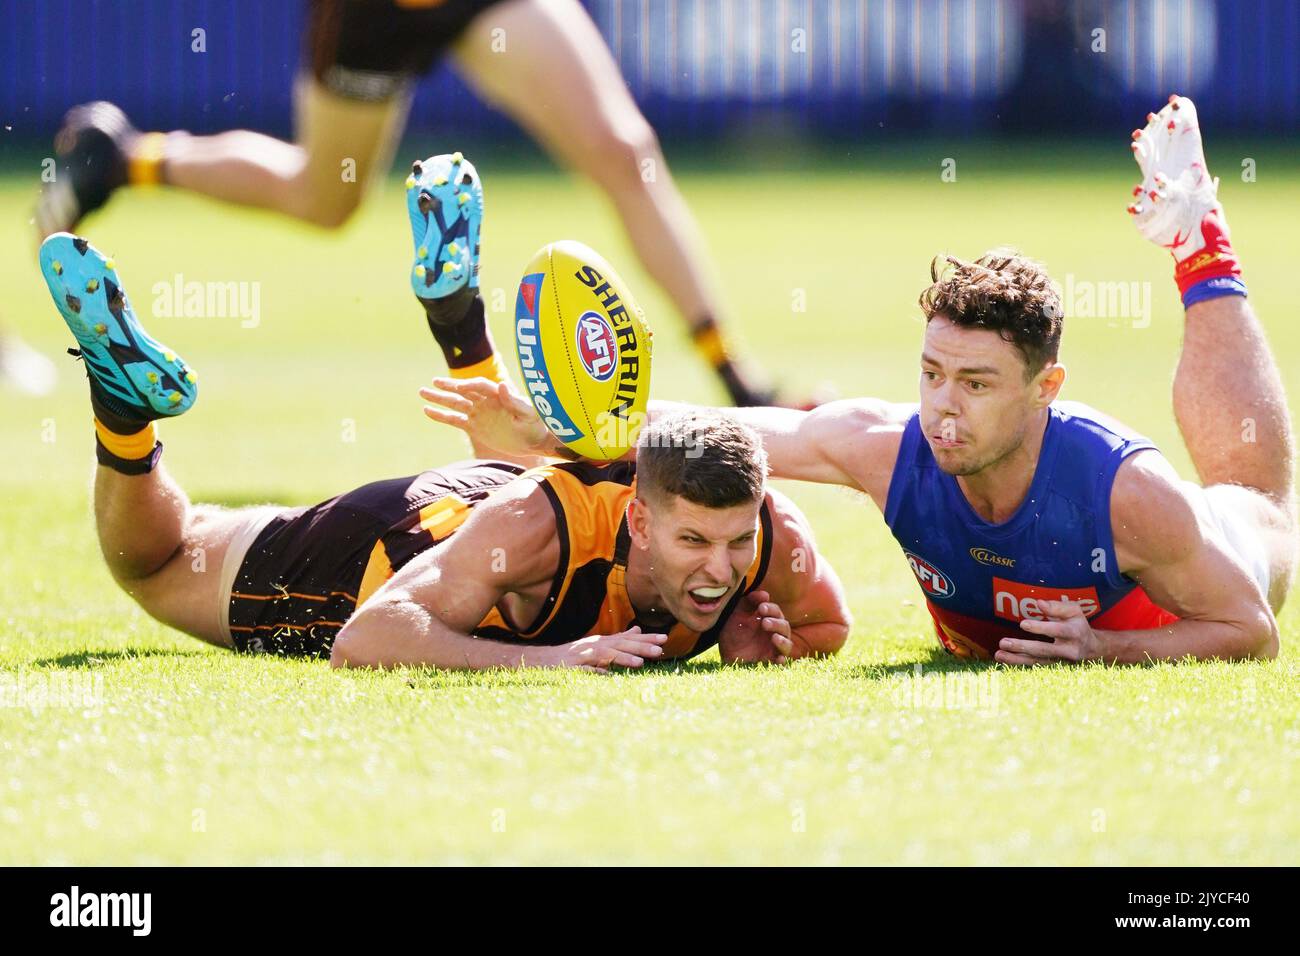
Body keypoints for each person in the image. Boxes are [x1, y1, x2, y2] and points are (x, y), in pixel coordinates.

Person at [424, 95, 1294, 665]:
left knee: (1256, 499)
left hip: (1209, 546)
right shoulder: (886, 447)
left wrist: (1107, 652)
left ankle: (1198, 239)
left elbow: (1250, 625)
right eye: (932, 373)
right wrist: (567, 428)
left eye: (979, 385)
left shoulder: (1125, 493)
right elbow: (745, 431)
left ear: (1045, 387)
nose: (944, 407)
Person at [35, 228, 850, 671]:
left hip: (493, 500)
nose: (720, 567)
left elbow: (827, 627)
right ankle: (122, 409)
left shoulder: (766, 538)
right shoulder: (543, 528)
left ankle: (460, 320)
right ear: (641, 520)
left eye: (737, 542)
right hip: (379, 554)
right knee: (153, 563)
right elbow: (367, 638)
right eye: (695, 543)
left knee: (530, 525)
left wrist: (757, 644)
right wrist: (557, 663)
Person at [34, 0, 783, 406]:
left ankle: (738, 378)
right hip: (374, 13)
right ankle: (128, 158)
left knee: (624, 151)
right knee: (324, 198)